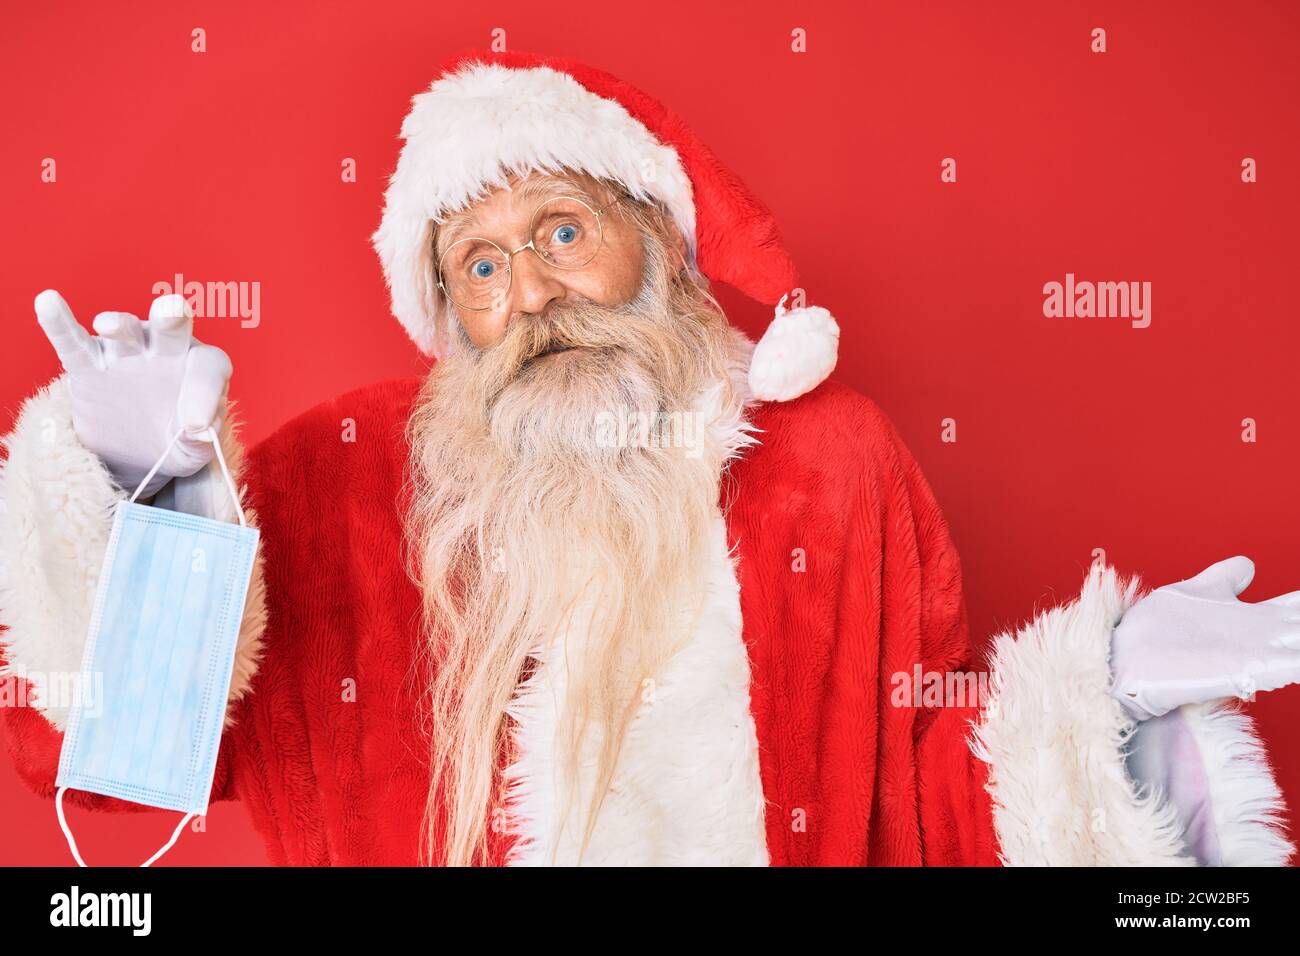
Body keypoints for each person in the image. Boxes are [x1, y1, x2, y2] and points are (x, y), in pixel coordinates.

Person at [3, 49, 1299, 867]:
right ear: (453, 320)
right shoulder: (331, 483)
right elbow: (129, 774)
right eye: (484, 265)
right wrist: (138, 512)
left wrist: (1105, 703)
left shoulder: (829, 461)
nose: (531, 292)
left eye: (562, 230)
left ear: (662, 253)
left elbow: (909, 805)